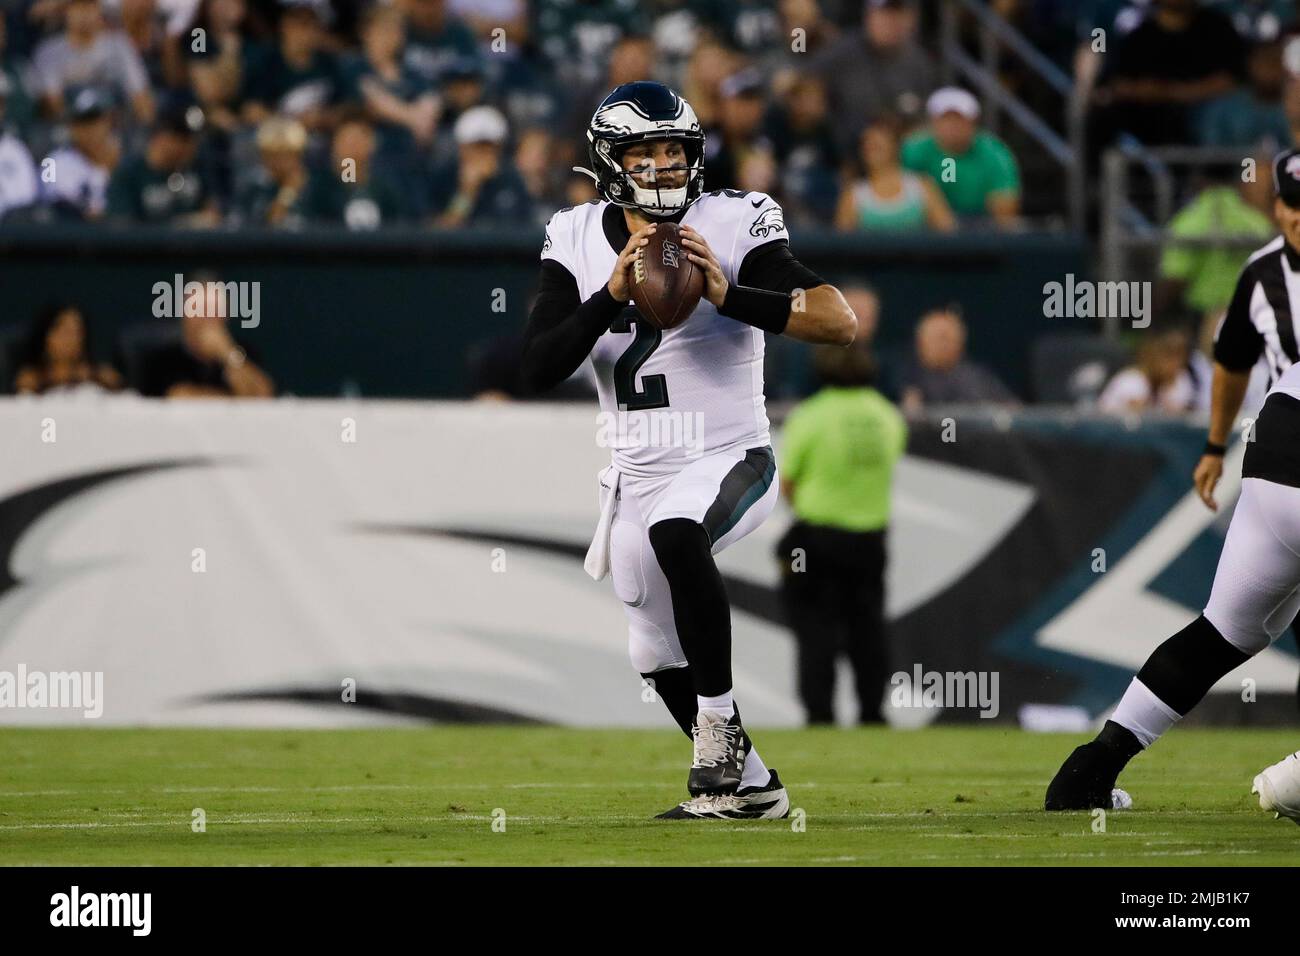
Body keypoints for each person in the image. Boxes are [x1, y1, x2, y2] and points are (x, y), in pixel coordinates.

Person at [518, 80, 856, 821]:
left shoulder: (736, 219)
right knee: (652, 649)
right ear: (611, 161)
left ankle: (715, 735)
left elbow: (837, 322)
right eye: (646, 152)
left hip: (732, 455)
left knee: (679, 529)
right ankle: (755, 791)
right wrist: (608, 295)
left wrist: (729, 296)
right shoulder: (573, 235)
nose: (666, 166)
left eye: (675, 150)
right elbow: (536, 365)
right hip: (636, 474)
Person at [777, 344, 906, 725]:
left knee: (815, 629)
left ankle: (820, 713)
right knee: (867, 628)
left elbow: (788, 482)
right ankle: (872, 711)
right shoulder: (886, 416)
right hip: (870, 539)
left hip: (817, 539)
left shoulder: (810, 416)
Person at [901, 87, 1021, 227]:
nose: (953, 126)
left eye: (960, 119)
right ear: (933, 122)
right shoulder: (913, 150)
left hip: (981, 228)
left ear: (973, 122)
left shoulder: (995, 153)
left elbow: (1005, 210)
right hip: (925, 229)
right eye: (946, 119)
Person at [139, 281, 274, 397]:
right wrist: (238, 398)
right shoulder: (164, 358)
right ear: (184, 318)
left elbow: (263, 394)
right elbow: (180, 397)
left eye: (213, 311)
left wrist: (229, 355)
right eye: (198, 311)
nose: (206, 321)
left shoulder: (242, 352)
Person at [836, 115, 955, 233]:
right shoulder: (853, 194)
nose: (870, 148)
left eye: (877, 146)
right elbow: (841, 244)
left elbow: (947, 231)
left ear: (895, 146)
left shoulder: (922, 186)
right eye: (867, 145)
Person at [106, 104, 220, 225]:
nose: (193, 145)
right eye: (184, 138)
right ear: (161, 137)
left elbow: (213, 213)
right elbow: (123, 229)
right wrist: (182, 224)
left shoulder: (197, 166)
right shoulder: (128, 174)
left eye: (195, 138)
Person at [896, 307, 1017, 413]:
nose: (943, 345)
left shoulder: (975, 376)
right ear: (920, 342)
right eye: (939, 338)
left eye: (948, 338)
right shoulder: (907, 377)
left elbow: (1014, 410)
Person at [41, 87, 119, 220]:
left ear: (108, 123)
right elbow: (59, 208)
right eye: (82, 122)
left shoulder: (123, 161)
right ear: (71, 128)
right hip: (72, 236)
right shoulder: (53, 162)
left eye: (96, 121)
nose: (90, 130)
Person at [13, 304, 123, 395]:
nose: (71, 339)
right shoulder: (30, 378)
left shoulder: (98, 374)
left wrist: (95, 377)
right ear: (47, 336)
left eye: (77, 332)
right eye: (65, 331)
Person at [1097, 326, 1198, 413]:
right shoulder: (1130, 380)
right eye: (1168, 356)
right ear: (1151, 355)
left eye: (1180, 356)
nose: (1175, 364)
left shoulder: (1181, 380)